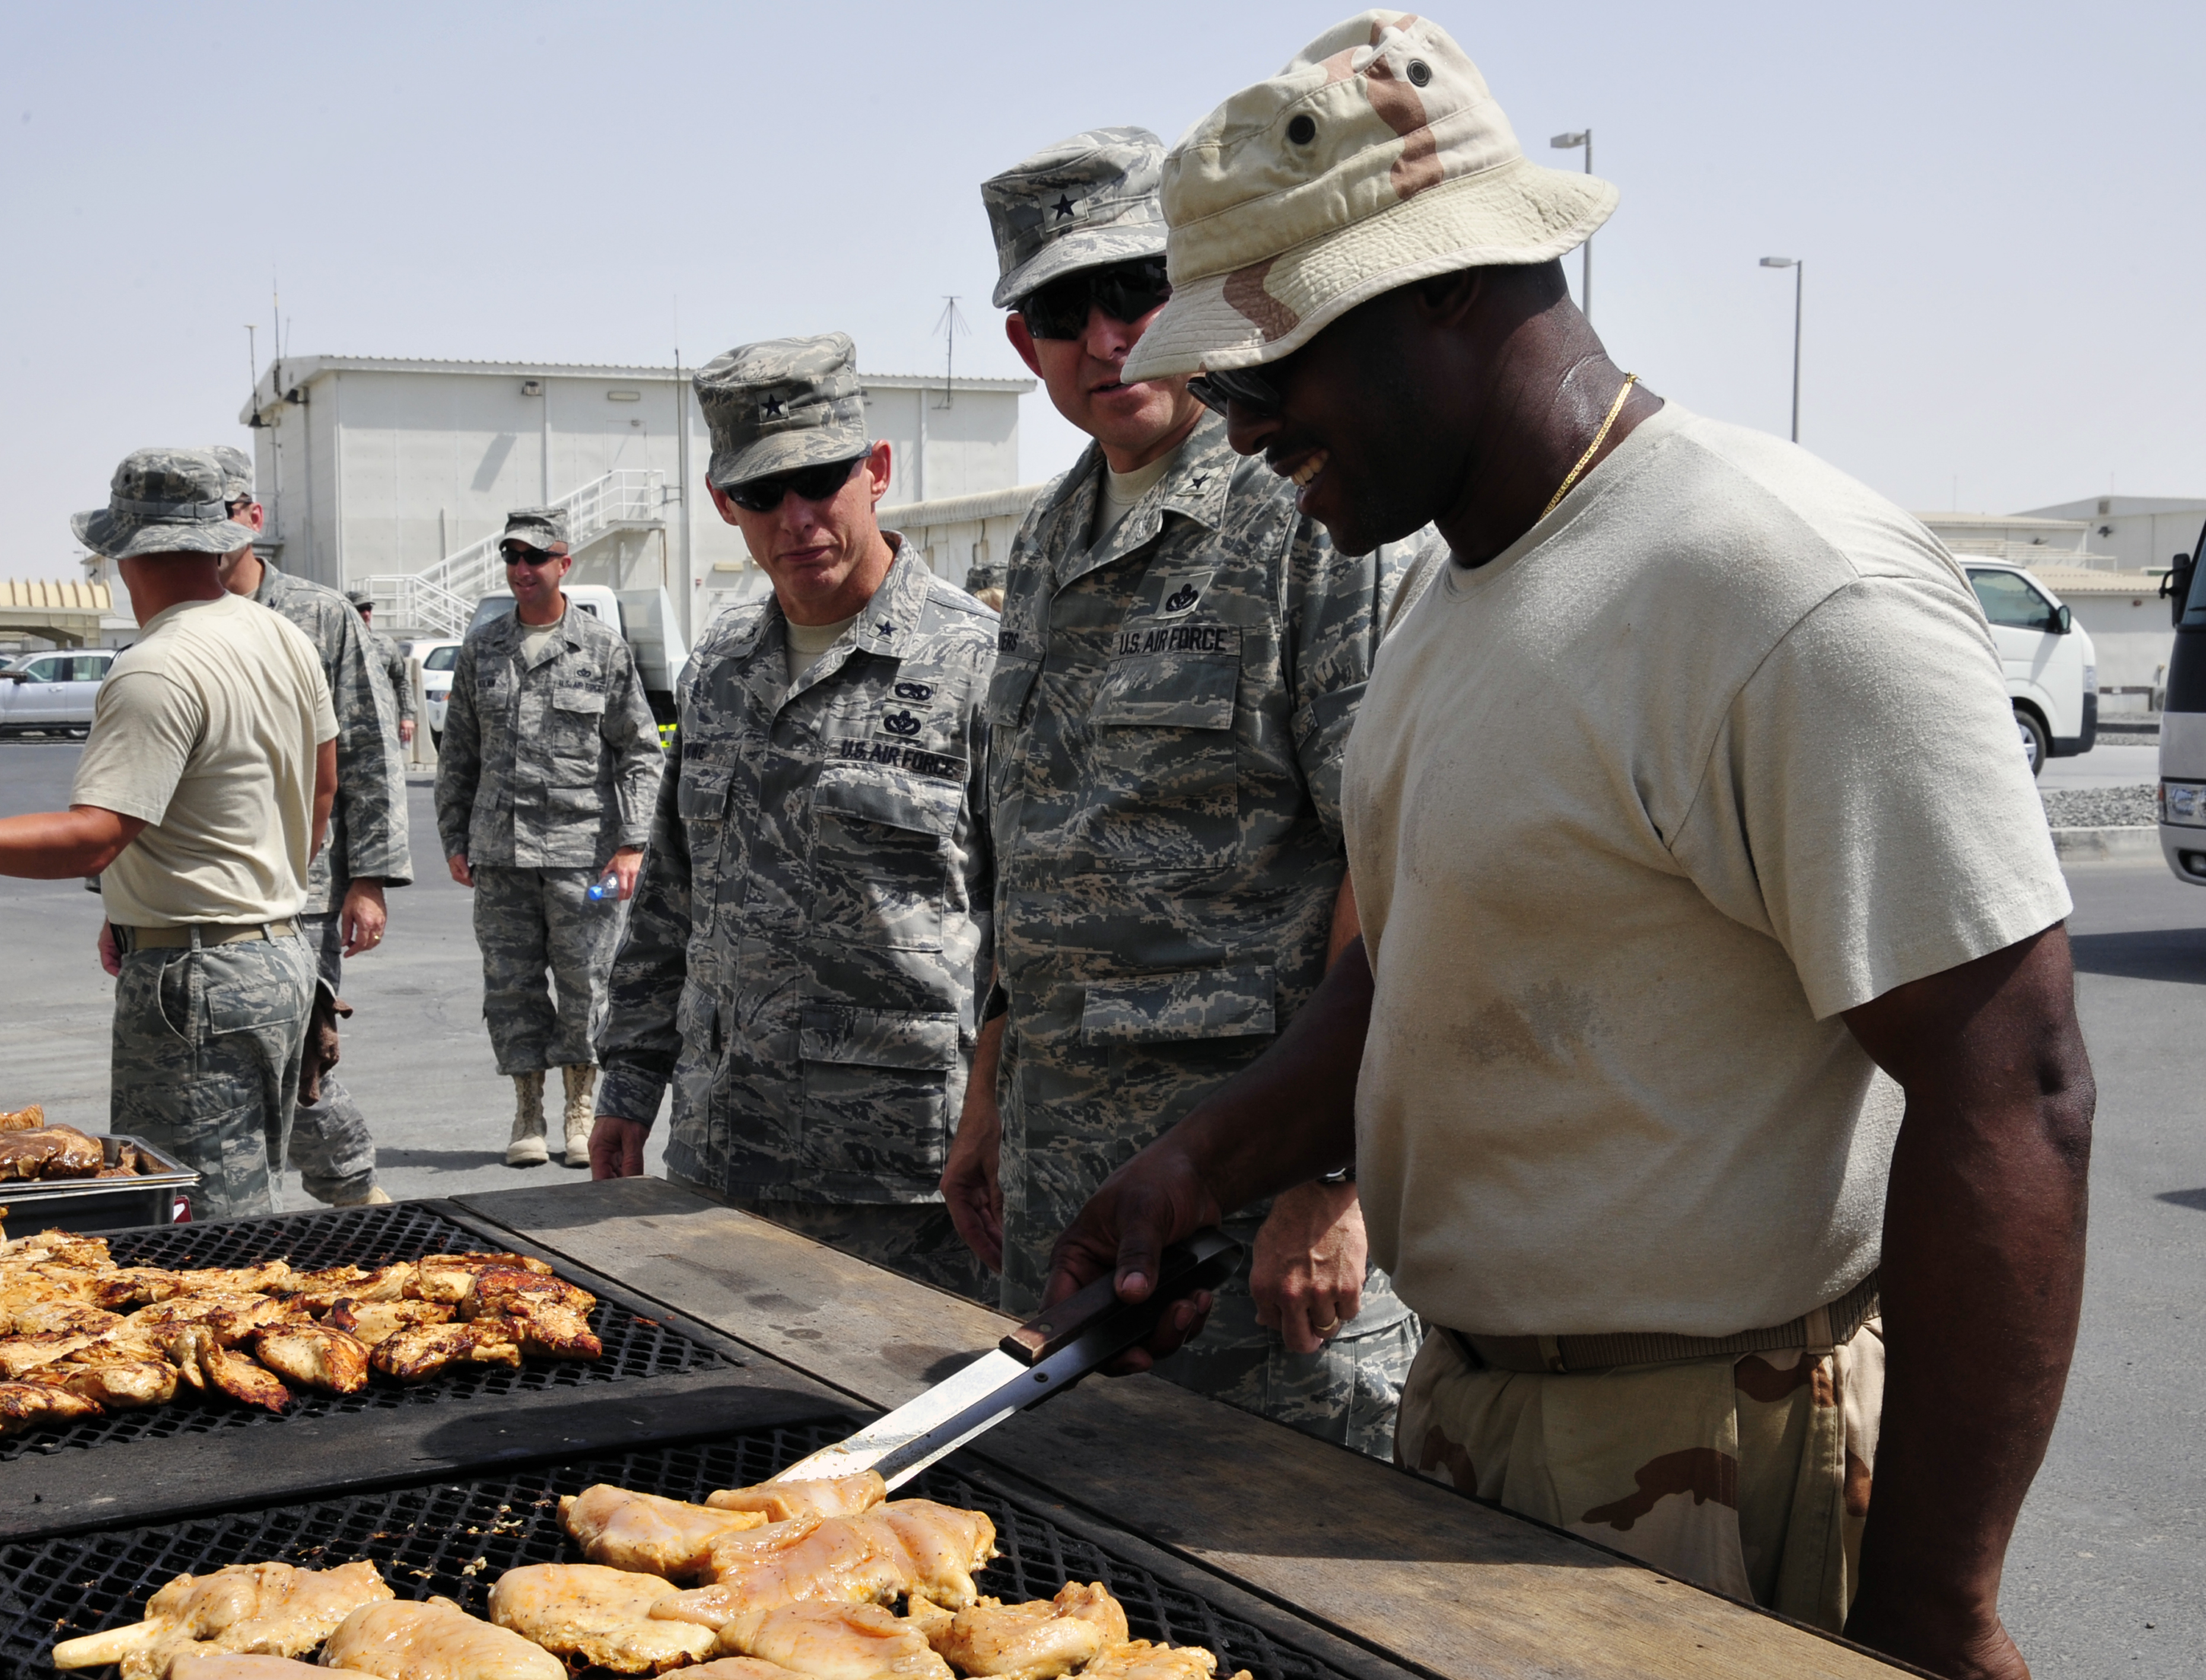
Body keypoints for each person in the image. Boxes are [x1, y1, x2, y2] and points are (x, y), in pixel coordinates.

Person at [1052, 16, 2093, 1678]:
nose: (1234, 420)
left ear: (1450, 280)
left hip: (1726, 1468)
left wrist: (1929, 1613)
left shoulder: (1777, 590)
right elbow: (1422, 957)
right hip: (1470, 1424)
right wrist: (1214, 1156)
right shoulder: (1452, 589)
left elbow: (2017, 1094)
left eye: (1269, 362)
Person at [944, 126, 1420, 1458]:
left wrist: (1328, 1180)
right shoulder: (1048, 538)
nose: (1107, 338)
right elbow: (1027, 851)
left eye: (1134, 289)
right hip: (1066, 1208)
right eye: (1060, 310)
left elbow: (1388, 867)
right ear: (1022, 345)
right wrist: (989, 1100)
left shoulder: (1307, 513)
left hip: (1248, 1223)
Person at [590, 333, 999, 1300]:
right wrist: (630, 1077)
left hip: (905, 1192)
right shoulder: (722, 666)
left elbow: (1031, 936)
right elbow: (672, 896)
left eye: (820, 479)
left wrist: (1006, 1128)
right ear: (720, 501)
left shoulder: (981, 664)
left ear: (877, 471)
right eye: (761, 494)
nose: (797, 517)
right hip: (720, 1163)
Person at [0, 447, 337, 1217]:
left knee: (189, 1234)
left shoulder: (156, 666)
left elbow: (93, 839)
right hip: (280, 958)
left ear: (121, 554)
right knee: (241, 1205)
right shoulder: (278, 636)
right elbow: (322, 790)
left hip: (201, 980)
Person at [169, 443, 409, 1208]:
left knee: (296, 1054)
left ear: (253, 519)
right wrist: (116, 899)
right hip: (191, 891)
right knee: (212, 1065)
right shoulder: (175, 616)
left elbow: (368, 753)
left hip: (299, 891)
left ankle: (351, 1189)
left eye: (223, 524)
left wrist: (367, 880)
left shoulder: (319, 616)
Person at [437, 509, 664, 1168]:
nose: (522, 569)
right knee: (510, 987)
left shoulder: (602, 649)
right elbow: (458, 756)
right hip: (500, 854)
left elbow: (640, 754)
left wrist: (631, 846)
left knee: (586, 985)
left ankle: (580, 1108)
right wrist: (455, 836)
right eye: (512, 557)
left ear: (564, 564)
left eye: (535, 557)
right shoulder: (482, 650)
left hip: (582, 857)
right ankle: (527, 1110)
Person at [348, 588, 420, 748]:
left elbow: (402, 681)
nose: (366, 614)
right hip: (347, 728)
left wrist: (407, 716)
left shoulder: (385, 644)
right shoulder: (338, 646)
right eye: (361, 609)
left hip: (382, 725)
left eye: (369, 609)